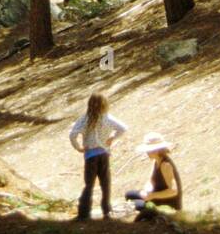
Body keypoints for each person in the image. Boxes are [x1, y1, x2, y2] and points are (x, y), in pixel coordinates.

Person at [69, 87, 127, 220]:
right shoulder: (107, 118)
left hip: (90, 155)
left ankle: (84, 212)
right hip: (104, 153)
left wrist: (78, 147)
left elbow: (72, 134)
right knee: (105, 183)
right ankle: (107, 211)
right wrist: (113, 138)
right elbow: (123, 128)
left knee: (89, 184)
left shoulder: (84, 119)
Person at [125, 132, 182, 219]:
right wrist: (146, 191)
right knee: (129, 195)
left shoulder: (165, 165)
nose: (147, 152)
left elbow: (173, 191)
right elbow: (151, 180)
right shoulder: (156, 161)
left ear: (156, 150)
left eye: (149, 150)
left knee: (135, 204)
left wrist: (152, 195)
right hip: (155, 195)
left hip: (166, 202)